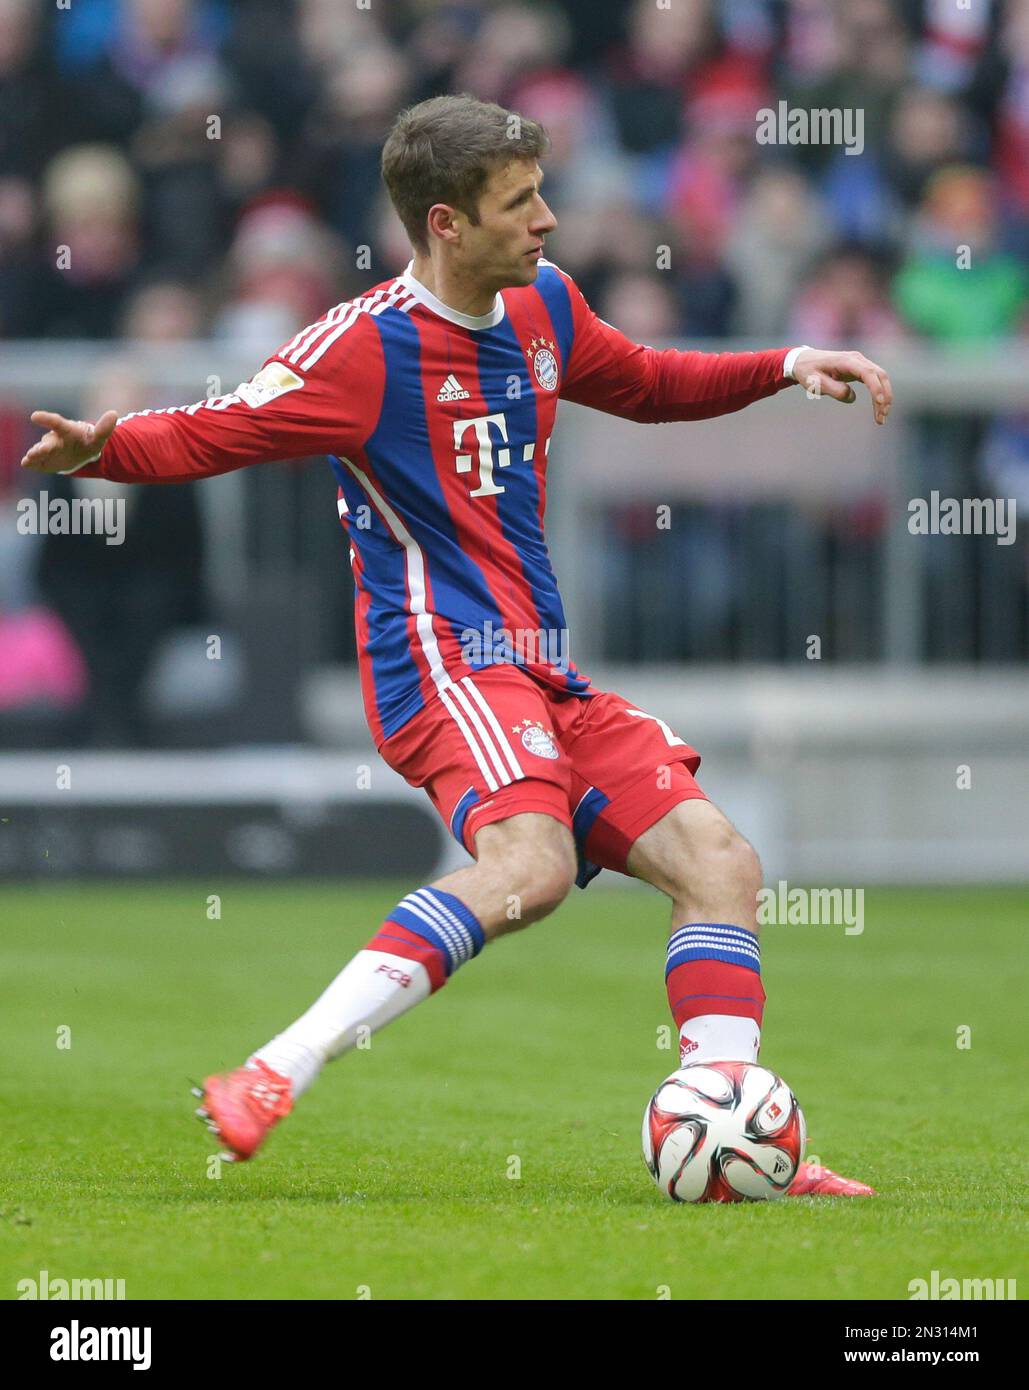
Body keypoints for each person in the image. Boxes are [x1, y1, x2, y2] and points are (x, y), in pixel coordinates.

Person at [21, 94, 892, 1197]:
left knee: (719, 863)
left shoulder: (547, 306)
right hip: (444, 660)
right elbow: (221, 427)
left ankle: (733, 1136)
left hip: (540, 669)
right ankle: (273, 1070)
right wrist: (108, 447)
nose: (549, 221)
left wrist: (785, 361)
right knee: (526, 872)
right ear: (446, 222)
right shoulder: (360, 349)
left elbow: (649, 382)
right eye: (520, 202)